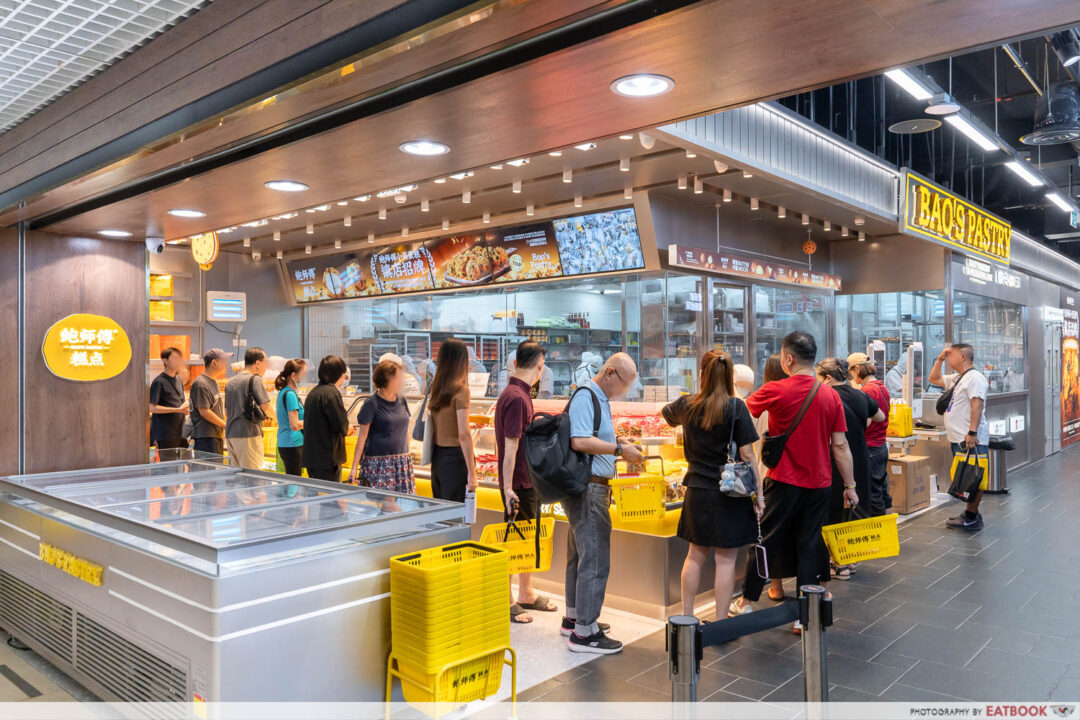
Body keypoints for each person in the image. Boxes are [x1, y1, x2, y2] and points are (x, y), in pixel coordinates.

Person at [730, 332, 855, 632]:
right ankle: (805, 614)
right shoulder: (830, 395)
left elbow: (741, 413)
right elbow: (840, 445)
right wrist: (850, 486)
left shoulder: (776, 390)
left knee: (766, 541)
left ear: (788, 359)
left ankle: (746, 601)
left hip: (782, 480)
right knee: (810, 544)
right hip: (820, 483)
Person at [662, 350, 759, 618]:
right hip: (729, 492)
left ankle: (687, 617)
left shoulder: (687, 404)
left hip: (695, 489)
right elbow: (748, 455)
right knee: (725, 560)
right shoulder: (736, 407)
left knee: (694, 555)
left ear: (702, 374)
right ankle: (719, 622)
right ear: (729, 375)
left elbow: (666, 414)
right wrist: (758, 495)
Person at [564, 353, 644, 654]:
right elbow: (580, 441)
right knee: (595, 559)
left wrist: (617, 441)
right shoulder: (588, 395)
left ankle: (574, 618)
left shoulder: (596, 397)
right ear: (610, 372)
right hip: (589, 490)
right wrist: (619, 449)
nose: (623, 391)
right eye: (623, 384)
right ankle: (585, 633)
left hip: (586, 488)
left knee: (580, 557)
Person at [496, 341, 559, 624]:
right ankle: (507, 598)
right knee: (514, 541)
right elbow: (510, 446)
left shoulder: (515, 393)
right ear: (539, 365)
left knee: (525, 537)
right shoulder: (517, 398)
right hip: (519, 482)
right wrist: (508, 488)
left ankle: (526, 592)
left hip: (523, 480)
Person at [816, 357, 885, 580]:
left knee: (834, 509)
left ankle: (838, 564)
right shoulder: (860, 394)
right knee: (852, 507)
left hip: (836, 459)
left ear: (827, 377)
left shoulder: (826, 396)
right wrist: (861, 423)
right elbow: (880, 416)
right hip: (860, 458)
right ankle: (849, 558)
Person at [929, 343, 990, 530]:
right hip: (958, 438)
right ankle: (970, 513)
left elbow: (977, 405)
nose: (949, 359)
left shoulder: (975, 378)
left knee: (975, 476)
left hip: (970, 439)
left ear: (963, 357)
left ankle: (971, 517)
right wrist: (939, 358)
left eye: (951, 355)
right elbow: (934, 378)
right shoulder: (958, 378)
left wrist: (972, 432)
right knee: (965, 476)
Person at [347, 360, 415, 493]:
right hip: (379, 463)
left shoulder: (402, 400)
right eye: (397, 378)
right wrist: (354, 468)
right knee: (386, 505)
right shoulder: (371, 403)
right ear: (386, 379)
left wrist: (408, 454)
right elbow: (362, 437)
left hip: (401, 461)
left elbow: (405, 429)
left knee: (402, 503)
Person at [753, 354, 788, 603]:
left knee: (767, 532)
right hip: (787, 475)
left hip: (762, 473)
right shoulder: (790, 400)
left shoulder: (758, 401)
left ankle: (774, 585)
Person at [426, 338, 476, 502]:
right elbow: (463, 434)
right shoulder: (461, 390)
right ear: (462, 361)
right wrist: (472, 473)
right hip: (455, 459)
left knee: (442, 514)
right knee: (457, 516)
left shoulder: (435, 387)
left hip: (438, 457)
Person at [848, 352, 892, 516]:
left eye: (851, 372)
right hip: (881, 446)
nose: (851, 377)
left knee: (872, 495)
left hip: (870, 448)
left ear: (857, 368)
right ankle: (889, 529)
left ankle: (879, 535)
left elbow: (865, 422)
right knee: (882, 491)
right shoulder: (881, 387)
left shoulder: (866, 391)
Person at [302, 355, 351, 482]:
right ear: (339, 374)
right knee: (329, 499)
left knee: (315, 497)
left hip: (312, 457)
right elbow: (342, 426)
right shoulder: (332, 393)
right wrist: (348, 427)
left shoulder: (313, 393)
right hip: (327, 459)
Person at [224, 347, 273, 469]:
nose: (266, 367)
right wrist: (282, 420)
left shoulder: (231, 381)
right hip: (248, 434)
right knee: (253, 479)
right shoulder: (254, 379)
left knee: (238, 479)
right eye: (265, 363)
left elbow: (226, 411)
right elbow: (266, 407)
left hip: (230, 434)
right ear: (257, 363)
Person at [189, 348, 230, 456]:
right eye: (224, 360)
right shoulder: (201, 384)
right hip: (206, 437)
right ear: (214, 362)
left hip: (215, 436)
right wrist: (225, 425)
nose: (226, 363)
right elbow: (204, 411)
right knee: (207, 470)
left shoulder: (214, 382)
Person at [150, 347, 190, 452]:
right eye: (175, 358)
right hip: (165, 434)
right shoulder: (159, 382)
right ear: (165, 360)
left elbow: (181, 403)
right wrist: (177, 410)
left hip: (179, 432)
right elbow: (152, 407)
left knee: (180, 466)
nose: (178, 362)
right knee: (167, 467)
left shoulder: (178, 380)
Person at [274, 359, 307, 477]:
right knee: (294, 483)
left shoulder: (283, 392)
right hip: (293, 444)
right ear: (293, 376)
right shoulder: (290, 395)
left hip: (285, 442)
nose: (305, 378)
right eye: (304, 375)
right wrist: (312, 421)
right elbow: (294, 425)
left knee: (291, 481)